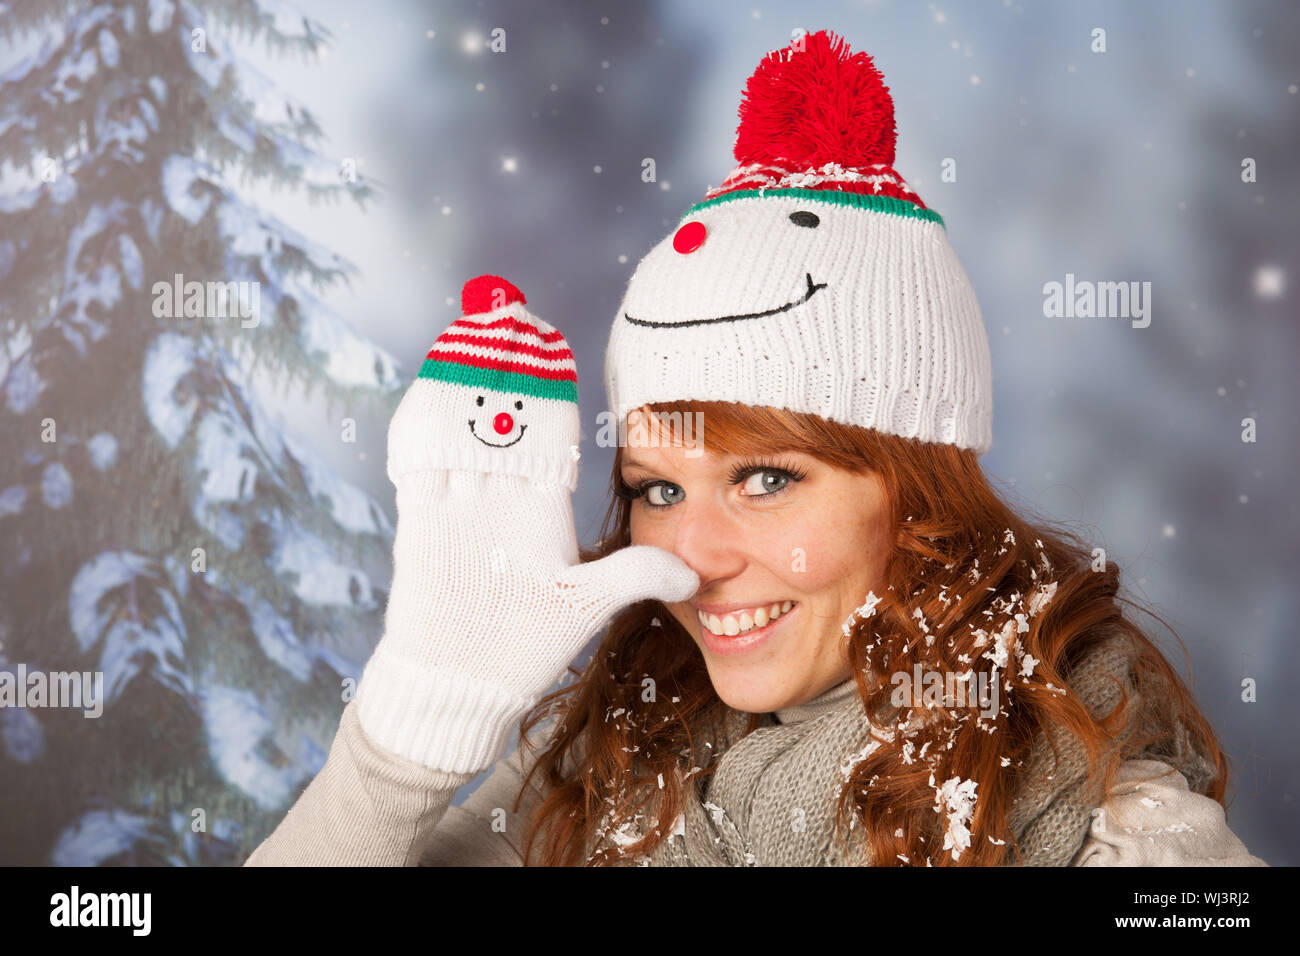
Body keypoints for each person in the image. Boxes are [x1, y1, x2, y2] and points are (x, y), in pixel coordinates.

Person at [245, 29, 1266, 867]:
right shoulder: (607, 756)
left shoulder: (1121, 832)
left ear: (921, 493)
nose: (691, 554)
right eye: (654, 487)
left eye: (767, 477)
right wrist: (407, 736)